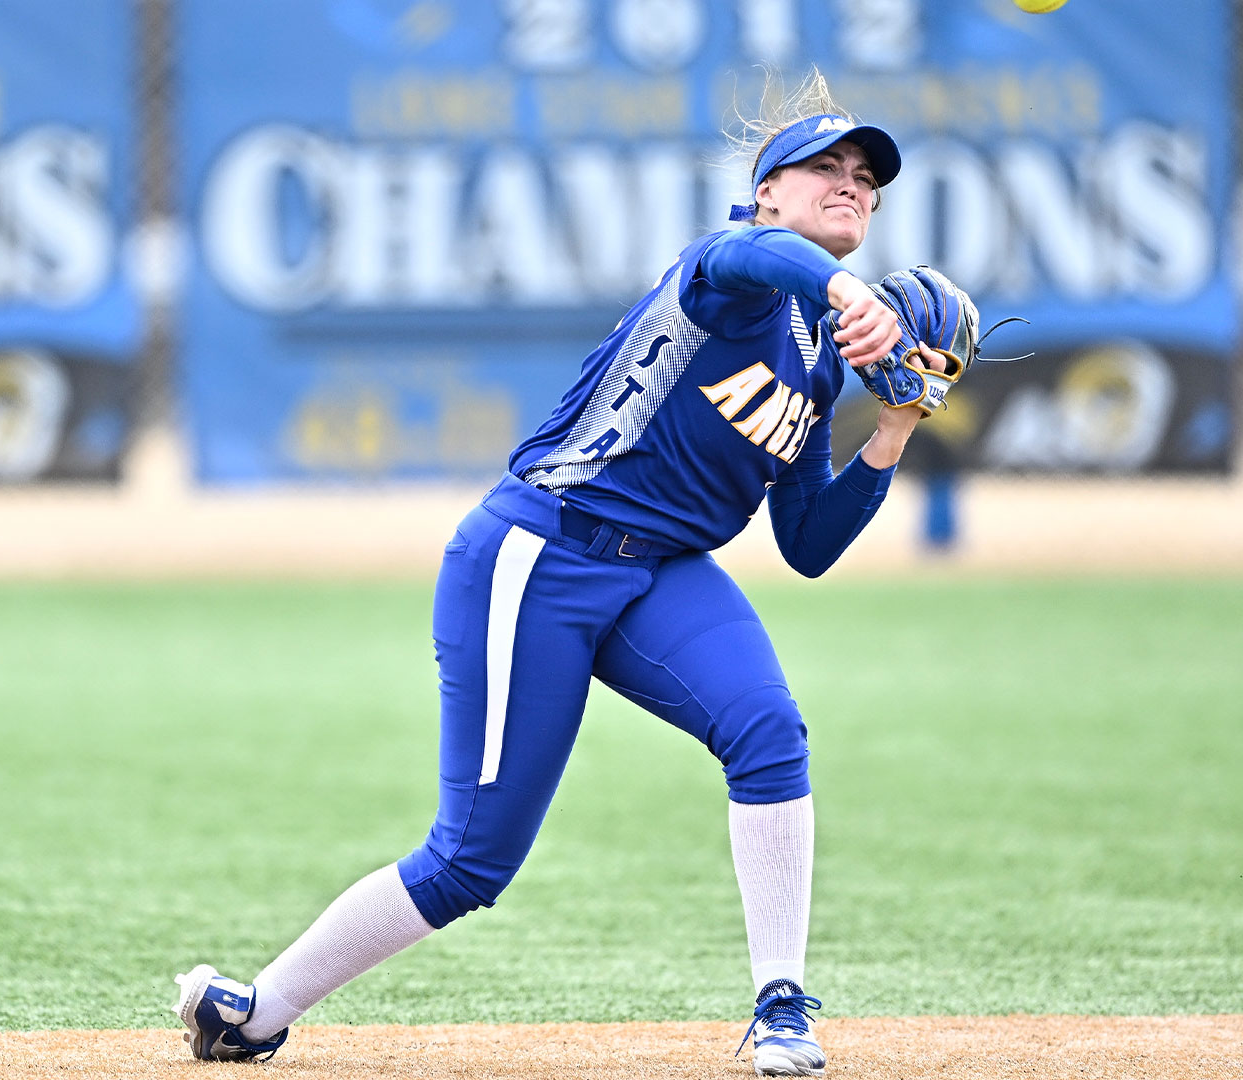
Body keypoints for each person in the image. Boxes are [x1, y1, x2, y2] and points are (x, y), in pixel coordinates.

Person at [173, 71, 943, 1077]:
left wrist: (891, 427)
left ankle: (782, 1005)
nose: (851, 182)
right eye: (824, 167)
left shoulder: (818, 359)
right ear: (767, 194)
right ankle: (256, 1012)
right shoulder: (731, 269)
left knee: (770, 733)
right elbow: (754, 257)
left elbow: (806, 544)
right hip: (539, 553)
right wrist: (849, 291)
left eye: (866, 177)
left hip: (662, 571)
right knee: (471, 862)